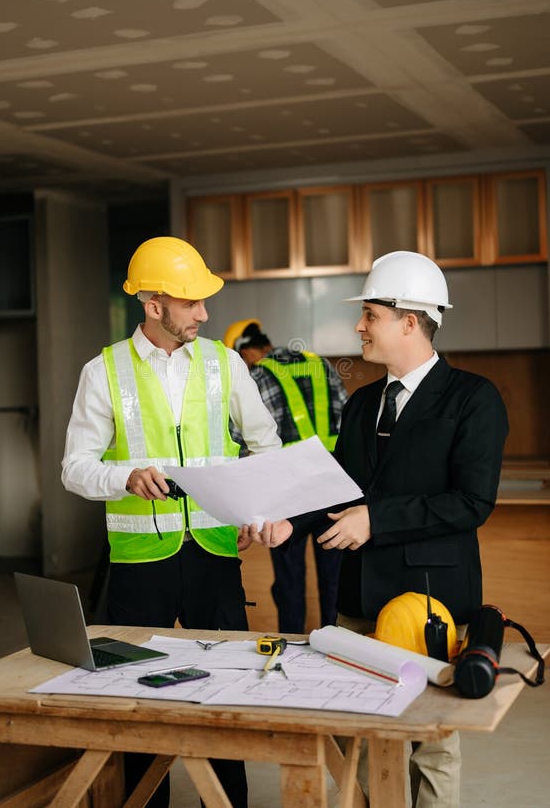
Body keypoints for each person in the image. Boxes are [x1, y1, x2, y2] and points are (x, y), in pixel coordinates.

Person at [244, 250, 509, 808]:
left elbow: (471, 503)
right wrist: (290, 523)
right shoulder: (364, 402)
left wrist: (377, 519)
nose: (358, 326)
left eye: (370, 315)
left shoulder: (473, 398)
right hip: (358, 603)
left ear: (409, 321)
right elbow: (340, 488)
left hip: (431, 605)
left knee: (431, 745)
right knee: (354, 737)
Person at [62, 236, 281, 807]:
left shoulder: (224, 363)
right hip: (139, 566)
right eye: (191, 303)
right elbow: (74, 468)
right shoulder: (103, 371)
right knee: (138, 699)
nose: (205, 314)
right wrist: (125, 477)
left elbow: (266, 445)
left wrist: (255, 510)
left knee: (229, 693)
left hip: (214, 556)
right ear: (153, 304)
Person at [223, 318, 348, 633]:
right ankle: (335, 640)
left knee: (289, 579)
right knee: (335, 577)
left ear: (245, 352)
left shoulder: (258, 375)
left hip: (288, 491)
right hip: (333, 484)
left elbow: (238, 443)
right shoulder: (321, 365)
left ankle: (291, 643)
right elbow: (347, 419)